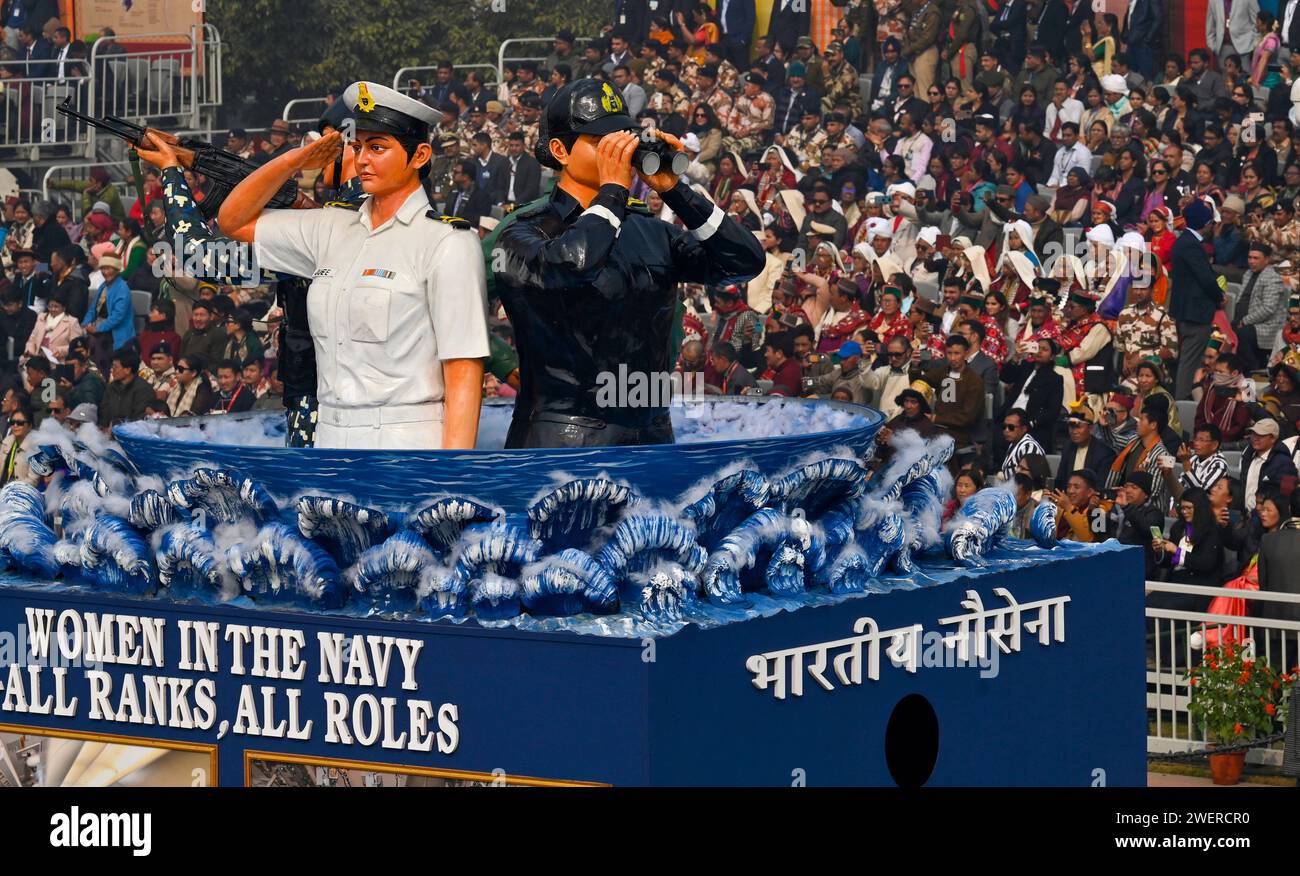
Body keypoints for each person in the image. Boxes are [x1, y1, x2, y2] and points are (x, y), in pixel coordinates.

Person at [218, 82, 490, 450]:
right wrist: (296, 160)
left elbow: (463, 371)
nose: (362, 159)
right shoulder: (332, 227)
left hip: (406, 444)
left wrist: (449, 478)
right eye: (357, 146)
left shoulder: (446, 243)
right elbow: (233, 220)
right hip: (329, 436)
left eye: (377, 147)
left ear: (420, 155)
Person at [495, 79, 762, 447]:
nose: (619, 149)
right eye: (602, 141)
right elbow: (575, 264)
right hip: (565, 438)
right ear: (560, 149)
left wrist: (674, 190)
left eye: (624, 135)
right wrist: (613, 192)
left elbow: (743, 261)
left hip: (651, 434)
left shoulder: (652, 232)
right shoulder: (523, 233)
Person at [1169, 198, 1226, 400]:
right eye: (1210, 222)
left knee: (1190, 360)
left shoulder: (1185, 241)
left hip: (1187, 311)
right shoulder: (1191, 245)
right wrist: (1219, 297)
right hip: (1194, 313)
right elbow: (1206, 278)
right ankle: (1181, 402)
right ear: (1205, 224)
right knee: (1189, 362)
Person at [998, 337, 1064, 453]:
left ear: (1052, 356)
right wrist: (1016, 357)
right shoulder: (1024, 366)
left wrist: (1031, 423)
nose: (1039, 351)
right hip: (1009, 417)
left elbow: (1053, 410)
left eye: (1044, 349)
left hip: (1031, 423)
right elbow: (1005, 377)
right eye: (1037, 348)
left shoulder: (1054, 379)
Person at [1155, 489, 1225, 585]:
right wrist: (1161, 551)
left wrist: (1177, 551)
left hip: (1198, 585)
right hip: (1175, 580)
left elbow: (1206, 564)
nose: (1184, 511)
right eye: (1182, 508)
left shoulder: (1211, 530)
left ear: (1199, 507)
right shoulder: (1177, 528)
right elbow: (1169, 563)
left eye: (1188, 508)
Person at [1107, 405, 1170, 511]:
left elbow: (1153, 490)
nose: (1137, 423)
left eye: (1141, 420)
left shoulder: (1163, 455)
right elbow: (1114, 440)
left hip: (1148, 512)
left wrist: (1126, 492)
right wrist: (1106, 425)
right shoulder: (1134, 440)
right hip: (1127, 503)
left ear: (1153, 425)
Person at [1241, 418, 1298, 511]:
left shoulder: (1284, 463)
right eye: (1254, 434)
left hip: (1267, 519)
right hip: (1248, 517)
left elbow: (1285, 498)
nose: (1255, 438)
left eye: (1261, 435)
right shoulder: (1248, 457)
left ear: (1273, 439)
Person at [1049, 469, 1115, 543]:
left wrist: (1069, 508)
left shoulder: (1100, 510)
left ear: (1089, 492)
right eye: (1069, 486)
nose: (1070, 491)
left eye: (1076, 487)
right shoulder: (1061, 507)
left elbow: (1088, 541)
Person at [98, 348, 154, 428]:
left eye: (115, 367)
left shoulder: (144, 389)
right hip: (108, 435)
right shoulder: (111, 387)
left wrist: (114, 426)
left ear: (127, 370)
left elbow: (139, 421)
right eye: (112, 366)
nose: (112, 370)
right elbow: (104, 412)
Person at [0, 407, 36, 487]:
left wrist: (12, 491)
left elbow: (33, 480)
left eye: (20, 423)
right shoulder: (6, 441)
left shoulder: (36, 448)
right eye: (12, 422)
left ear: (29, 426)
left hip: (20, 494)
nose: (15, 425)